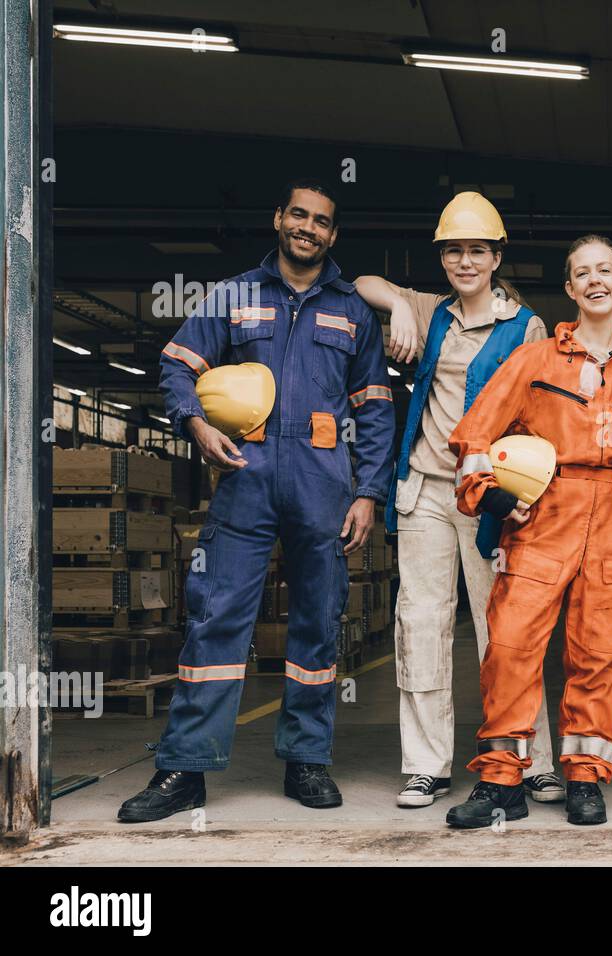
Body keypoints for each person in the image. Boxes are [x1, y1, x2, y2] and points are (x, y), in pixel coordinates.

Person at [119, 179, 394, 822]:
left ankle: (306, 759)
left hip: (323, 486)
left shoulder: (352, 309)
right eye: (298, 214)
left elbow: (375, 408)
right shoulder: (234, 294)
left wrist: (370, 493)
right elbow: (178, 363)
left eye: (322, 221)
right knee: (216, 618)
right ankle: (185, 768)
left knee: (317, 623)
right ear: (278, 219)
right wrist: (194, 423)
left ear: (333, 234)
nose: (308, 227)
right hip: (245, 478)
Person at [443, 235, 612, 828]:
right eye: (582, 273)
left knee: (600, 655)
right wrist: (490, 493)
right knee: (512, 647)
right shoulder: (536, 360)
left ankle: (584, 777)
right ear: (570, 289)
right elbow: (474, 434)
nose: (596, 280)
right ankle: (501, 782)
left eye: (606, 269)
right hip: (545, 512)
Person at [354, 192, 562, 808]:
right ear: (442, 256)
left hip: (490, 496)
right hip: (425, 491)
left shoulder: (526, 328)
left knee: (509, 630)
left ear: (497, 256)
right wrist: (398, 305)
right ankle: (425, 764)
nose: (465, 261)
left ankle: (528, 758)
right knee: (421, 624)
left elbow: (536, 416)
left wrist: (522, 493)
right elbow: (362, 281)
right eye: (453, 251)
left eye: (477, 250)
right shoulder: (429, 310)